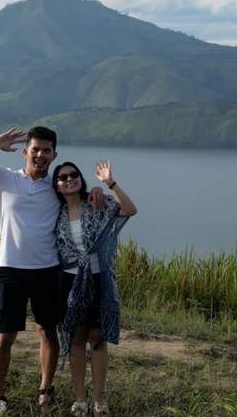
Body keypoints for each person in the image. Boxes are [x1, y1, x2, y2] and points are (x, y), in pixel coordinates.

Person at [0, 126, 104, 413]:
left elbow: (78, 193)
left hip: (47, 271)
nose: (41, 154)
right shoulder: (5, 179)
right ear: (25, 151)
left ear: (54, 154)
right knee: (5, 336)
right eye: (36, 149)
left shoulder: (55, 188)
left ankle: (45, 391)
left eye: (47, 150)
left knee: (48, 333)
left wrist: (98, 189)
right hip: (11, 269)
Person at [52, 160, 137, 416]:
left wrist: (109, 184)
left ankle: (99, 399)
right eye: (63, 177)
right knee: (76, 339)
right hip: (69, 282)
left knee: (97, 340)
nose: (69, 179)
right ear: (56, 186)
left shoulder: (96, 203)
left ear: (81, 179)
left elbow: (130, 210)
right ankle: (80, 398)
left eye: (73, 174)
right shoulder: (55, 212)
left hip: (98, 279)